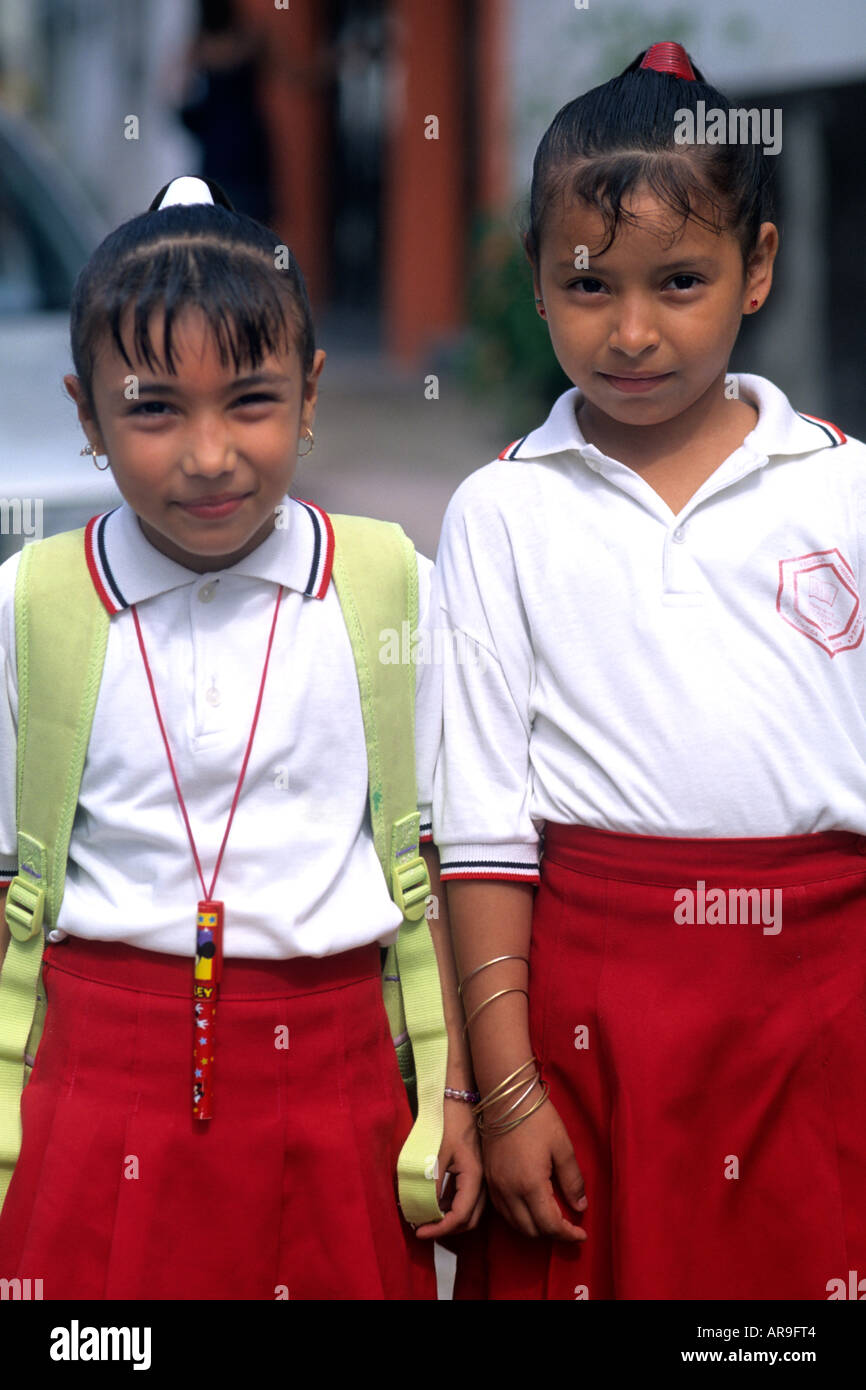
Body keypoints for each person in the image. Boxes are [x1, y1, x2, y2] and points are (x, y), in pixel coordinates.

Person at [433, 42, 866, 1300]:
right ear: (533, 280)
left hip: (820, 1004)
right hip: (590, 1018)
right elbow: (478, 829)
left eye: (678, 280)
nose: (631, 332)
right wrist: (508, 1088)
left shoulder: (843, 489)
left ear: (757, 271)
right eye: (587, 285)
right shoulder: (500, 511)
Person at [0, 175, 482, 1300]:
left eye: (251, 402)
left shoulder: (389, 588)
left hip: (341, 1083)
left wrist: (458, 1087)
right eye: (154, 408)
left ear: (310, 396)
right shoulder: (32, 606)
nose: (209, 455)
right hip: (92, 1088)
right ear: (86, 415)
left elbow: (446, 860)